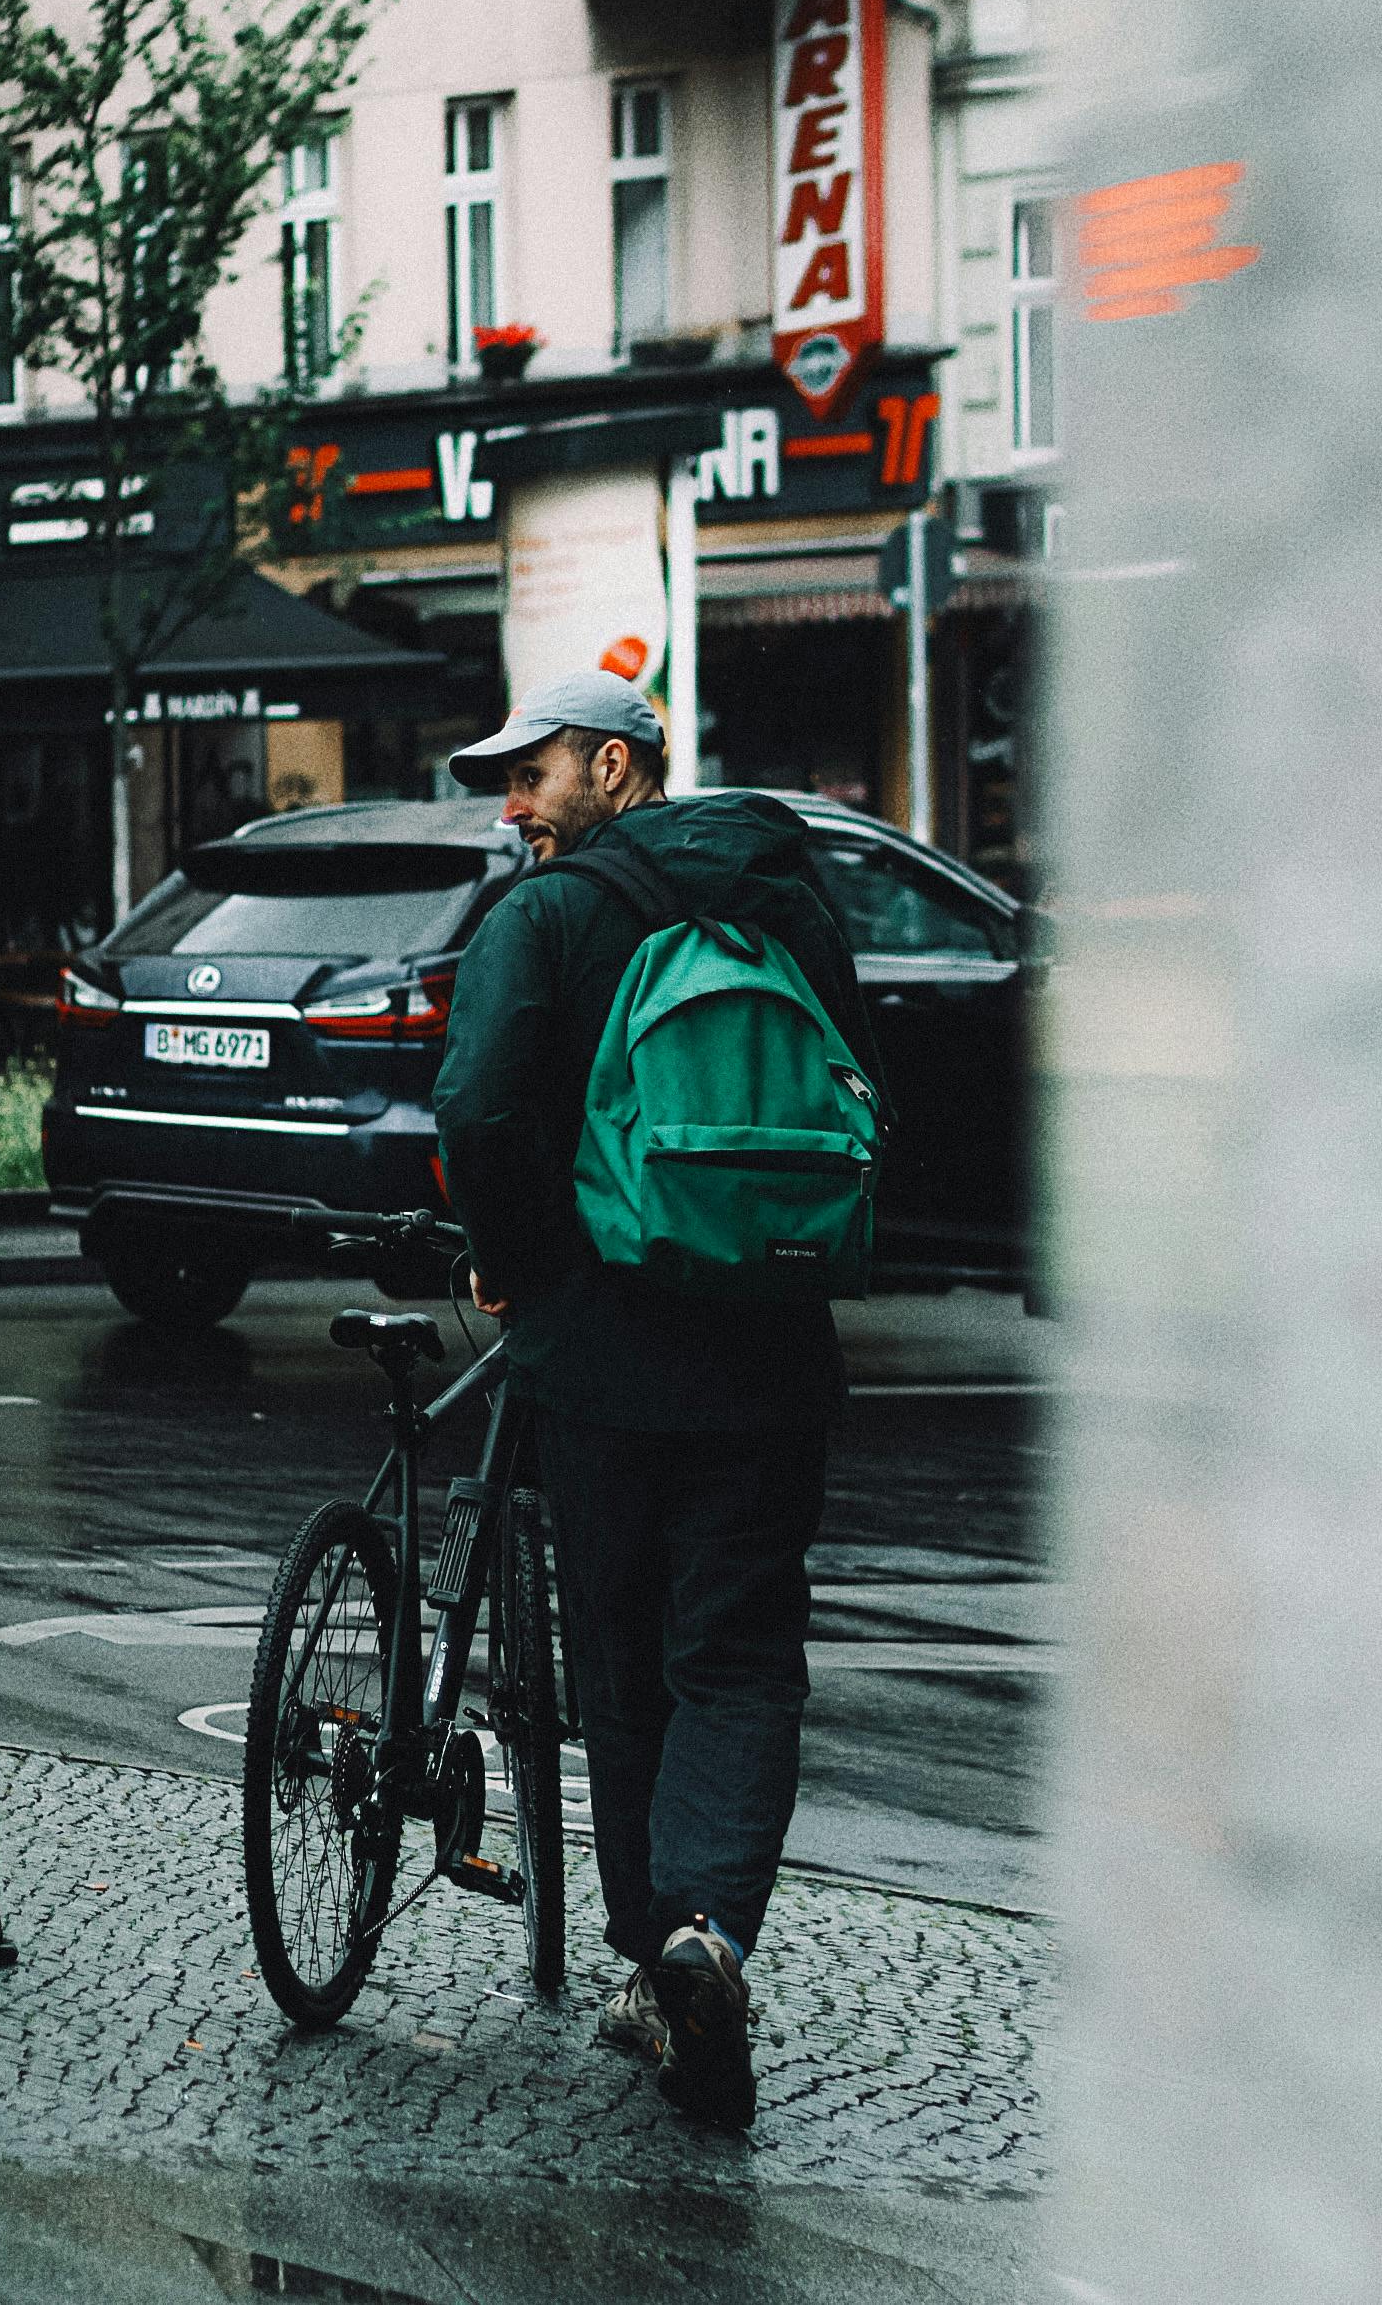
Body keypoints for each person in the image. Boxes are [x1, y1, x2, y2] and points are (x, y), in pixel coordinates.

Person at [432, 670, 883, 2130]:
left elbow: (479, 1109)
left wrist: (514, 1264)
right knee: (743, 1659)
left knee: (619, 1662)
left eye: (535, 773)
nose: (513, 807)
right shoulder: (791, 899)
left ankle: (654, 1956)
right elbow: (859, 1090)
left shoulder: (545, 921)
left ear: (617, 768)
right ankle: (709, 1942)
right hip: (770, 1345)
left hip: (603, 1359)